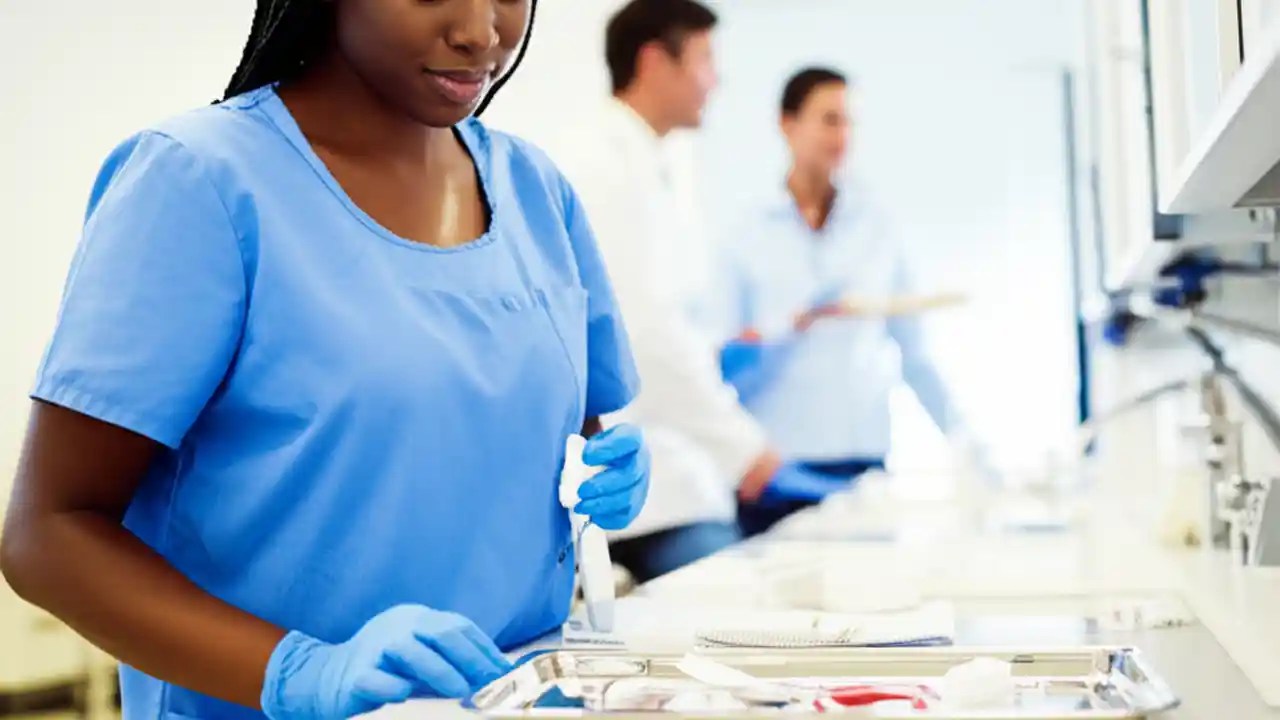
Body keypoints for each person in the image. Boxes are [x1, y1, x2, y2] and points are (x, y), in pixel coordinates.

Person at [0, 2, 652, 720]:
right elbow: (49, 533)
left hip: (514, 697)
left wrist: (599, 465)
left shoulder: (535, 189)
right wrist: (295, 671)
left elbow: (568, 428)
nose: (480, 31)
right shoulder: (201, 181)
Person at [553, 0, 843, 583]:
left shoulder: (654, 164)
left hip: (677, 470)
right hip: (650, 496)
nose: (717, 79)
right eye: (705, 59)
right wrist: (748, 454)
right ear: (656, 61)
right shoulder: (605, 167)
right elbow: (646, 338)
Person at [719, 67, 987, 537]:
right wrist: (791, 326)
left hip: (862, 469)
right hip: (775, 474)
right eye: (829, 119)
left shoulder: (878, 228)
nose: (842, 135)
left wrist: (966, 446)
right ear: (787, 124)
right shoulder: (743, 232)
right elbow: (720, 364)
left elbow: (914, 354)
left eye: (849, 122)